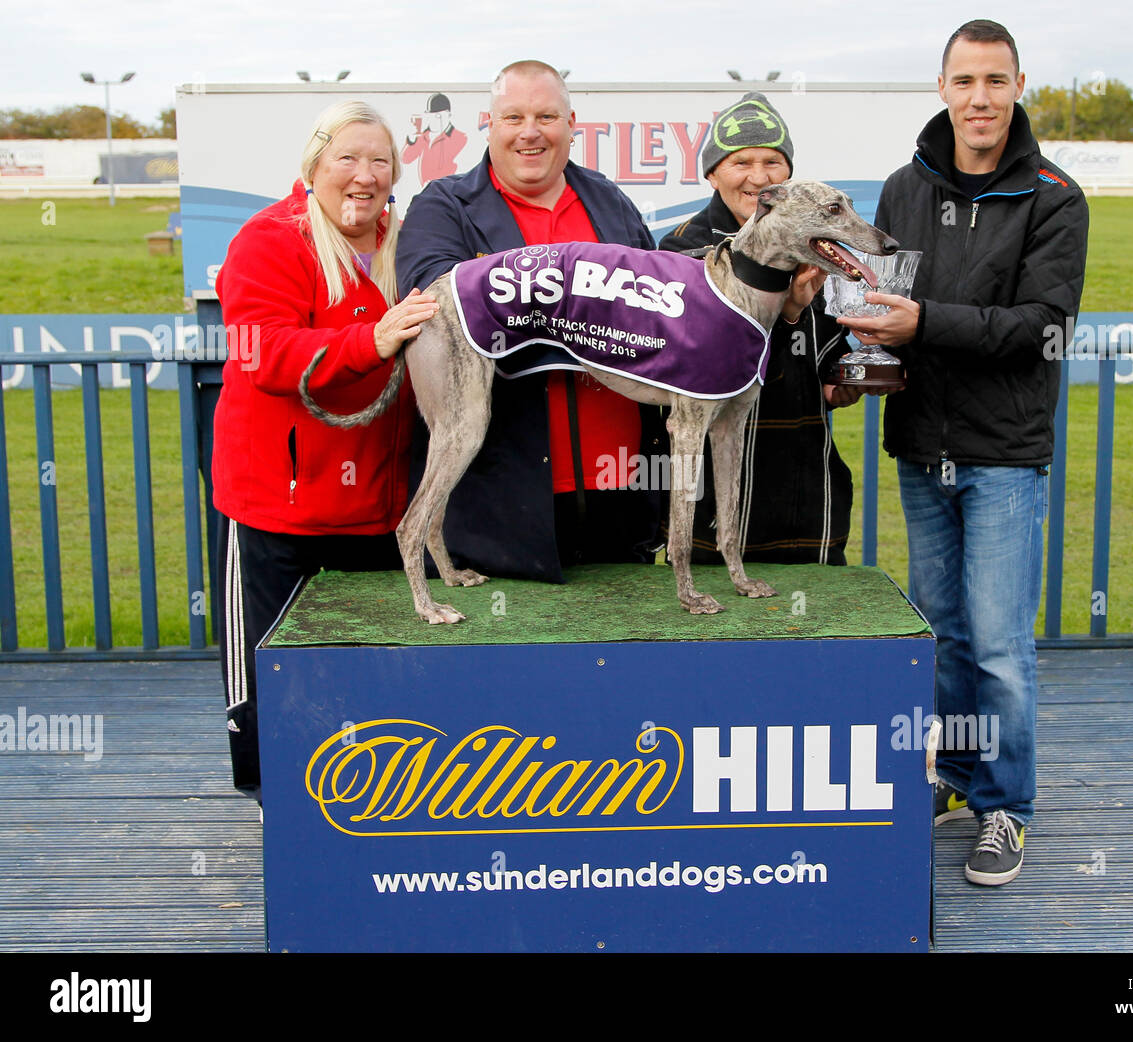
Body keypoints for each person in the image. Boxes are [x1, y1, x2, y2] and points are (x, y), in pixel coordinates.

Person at [838, 20, 1088, 884]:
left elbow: (1041, 328)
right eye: (964, 81)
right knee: (942, 636)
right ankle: (953, 776)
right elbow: (880, 296)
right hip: (922, 446)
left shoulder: (1056, 196)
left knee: (997, 643)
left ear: (1020, 85)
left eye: (995, 81)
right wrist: (860, 355)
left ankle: (1007, 807)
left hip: (1005, 455)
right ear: (941, 87)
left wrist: (921, 325)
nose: (979, 99)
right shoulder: (907, 187)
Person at [212, 101, 440, 803]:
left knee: (371, 677)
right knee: (269, 677)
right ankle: (271, 808)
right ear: (313, 165)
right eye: (347, 158)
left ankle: (369, 804)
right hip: (280, 509)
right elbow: (264, 353)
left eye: (379, 161)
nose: (364, 176)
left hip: (380, 505)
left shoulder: (410, 241)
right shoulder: (268, 239)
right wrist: (369, 340)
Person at [396, 60, 666, 584]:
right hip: (498, 510)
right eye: (513, 116)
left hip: (621, 497)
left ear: (570, 123)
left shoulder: (610, 200)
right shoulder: (443, 205)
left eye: (545, 116)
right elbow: (441, 303)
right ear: (489, 123)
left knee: (623, 655)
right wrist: (583, 297)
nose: (530, 132)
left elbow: (658, 304)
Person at [660, 92, 861, 565]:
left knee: (814, 630)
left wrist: (845, 376)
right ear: (711, 173)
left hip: (803, 481)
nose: (758, 175)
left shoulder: (820, 242)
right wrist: (785, 312)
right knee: (707, 631)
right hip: (712, 485)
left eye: (773, 160)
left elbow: (831, 354)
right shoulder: (681, 249)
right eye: (740, 162)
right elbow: (691, 369)